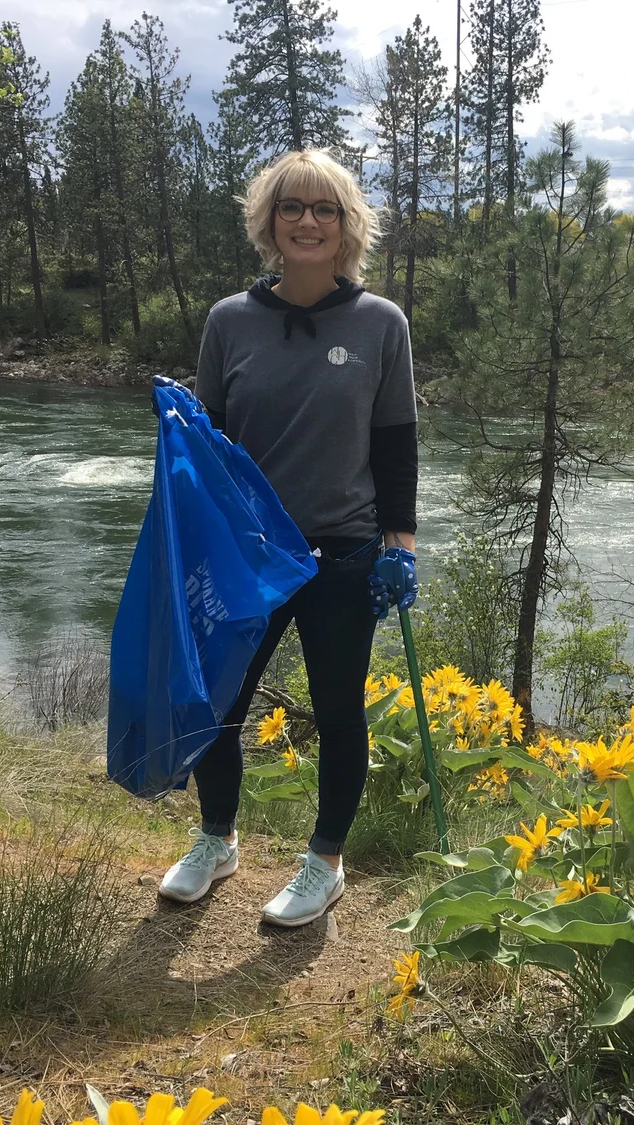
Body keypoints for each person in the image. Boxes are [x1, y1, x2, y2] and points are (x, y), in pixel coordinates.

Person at [156, 148, 420, 927]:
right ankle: (217, 838)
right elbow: (210, 447)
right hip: (247, 555)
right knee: (220, 702)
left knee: (340, 709)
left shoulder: (382, 325)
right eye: (292, 207)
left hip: (343, 551)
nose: (308, 221)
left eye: (324, 208)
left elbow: (396, 441)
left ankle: (325, 862)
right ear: (269, 221)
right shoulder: (229, 322)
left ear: (348, 225)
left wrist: (399, 545)